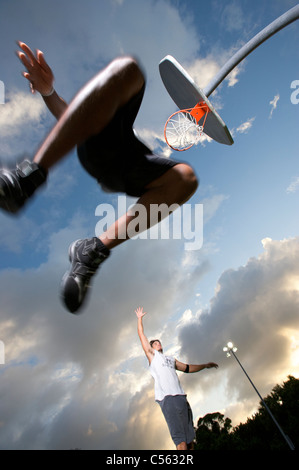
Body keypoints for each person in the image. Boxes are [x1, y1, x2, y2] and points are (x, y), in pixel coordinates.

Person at [0, 42, 198, 313]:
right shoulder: (100, 117)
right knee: (128, 69)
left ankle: (90, 253)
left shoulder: (125, 143)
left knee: (185, 179)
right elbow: (76, 118)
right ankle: (24, 181)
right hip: (97, 148)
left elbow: (81, 118)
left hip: (126, 168)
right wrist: (48, 91)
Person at [135, 306, 218, 450]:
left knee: (190, 441)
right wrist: (139, 319)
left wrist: (204, 365)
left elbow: (187, 368)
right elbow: (142, 336)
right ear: (152, 348)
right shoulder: (153, 357)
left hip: (181, 397)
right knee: (181, 442)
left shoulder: (170, 359)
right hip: (168, 398)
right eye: (154, 343)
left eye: (158, 342)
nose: (158, 343)